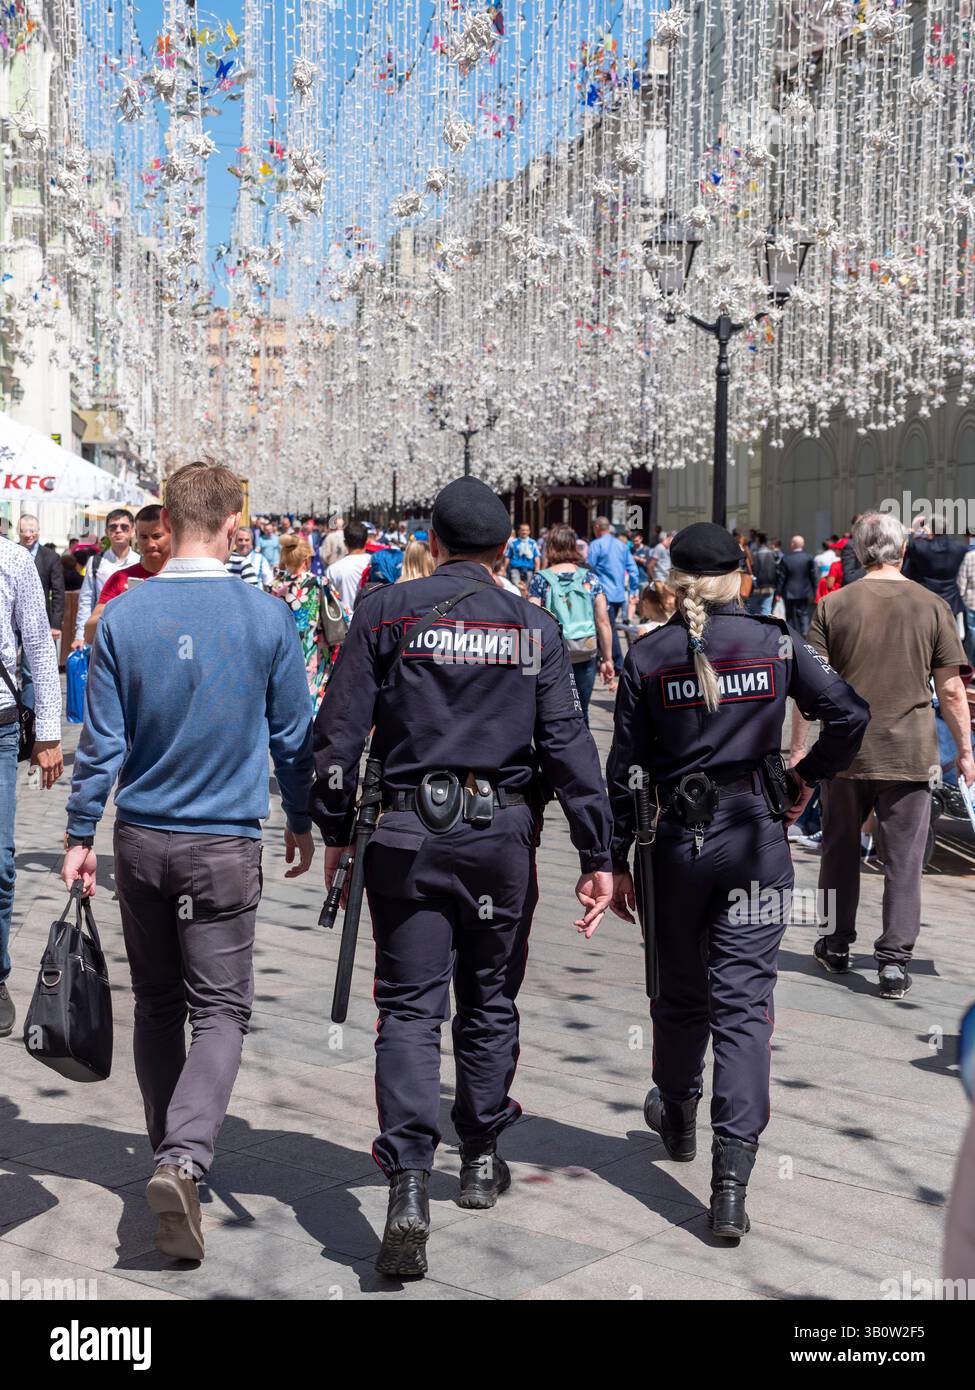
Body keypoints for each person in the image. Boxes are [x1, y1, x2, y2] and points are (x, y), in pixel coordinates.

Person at [310, 476, 614, 1280]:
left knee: (409, 1010)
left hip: (407, 833)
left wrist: (334, 829)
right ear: (504, 546)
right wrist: (597, 853)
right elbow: (569, 746)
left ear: (434, 542)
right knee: (488, 997)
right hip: (497, 837)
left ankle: (408, 1180)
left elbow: (337, 734)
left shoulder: (385, 611)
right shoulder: (534, 623)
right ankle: (477, 1154)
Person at [60, 461, 315, 1263]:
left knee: (159, 1003)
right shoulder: (269, 618)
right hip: (225, 843)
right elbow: (292, 736)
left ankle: (167, 1154)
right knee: (223, 1008)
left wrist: (76, 834)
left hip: (140, 839)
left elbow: (100, 746)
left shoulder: (123, 616)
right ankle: (183, 1159)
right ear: (235, 524)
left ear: (163, 525)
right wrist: (306, 817)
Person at [606, 522, 868, 1240]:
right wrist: (802, 779)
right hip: (753, 832)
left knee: (678, 993)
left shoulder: (648, 654)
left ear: (671, 579)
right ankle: (729, 1185)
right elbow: (848, 713)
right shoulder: (776, 642)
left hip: (672, 844)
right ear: (740, 576)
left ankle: (679, 1110)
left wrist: (615, 855)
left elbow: (623, 771)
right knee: (744, 1005)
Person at [791, 511, 973, 1000]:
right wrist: (968, 751)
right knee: (903, 861)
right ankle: (894, 962)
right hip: (912, 753)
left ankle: (835, 942)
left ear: (856, 551)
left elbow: (810, 686)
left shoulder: (835, 606)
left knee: (839, 852)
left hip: (845, 752)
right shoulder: (932, 605)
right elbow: (951, 689)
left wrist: (798, 749)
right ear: (903, 551)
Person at [0, 537, 64, 1037]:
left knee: (0, 860)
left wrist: (47, 730)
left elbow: (40, 644)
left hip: (0, 725)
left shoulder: (12, 558)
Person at [528, 524, 614, 724]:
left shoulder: (541, 580)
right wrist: (608, 659)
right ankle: (583, 750)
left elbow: (532, 621)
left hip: (552, 655)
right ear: (573, 546)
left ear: (550, 547)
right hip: (586, 650)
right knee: (581, 711)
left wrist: (528, 662)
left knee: (549, 713)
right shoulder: (590, 578)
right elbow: (603, 621)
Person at [83, 506, 172, 646]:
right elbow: (89, 634)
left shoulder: (186, 573)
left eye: (156, 536)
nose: (150, 544)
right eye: (143, 537)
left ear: (172, 534)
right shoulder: (120, 578)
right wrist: (119, 605)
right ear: (136, 536)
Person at [273, 533, 331, 713]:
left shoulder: (275, 586)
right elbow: (340, 615)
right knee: (312, 697)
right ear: (306, 559)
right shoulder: (318, 582)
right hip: (313, 649)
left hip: (284, 649)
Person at [17, 513, 65, 711]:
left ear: (38, 532)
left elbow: (58, 592)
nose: (28, 535)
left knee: (30, 671)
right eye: (24, 531)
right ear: (18, 532)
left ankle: (28, 715)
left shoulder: (50, 557)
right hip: (10, 621)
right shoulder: (10, 552)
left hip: (37, 621)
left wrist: (55, 624)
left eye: (32, 530)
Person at [72, 509, 139, 649]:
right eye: (113, 527)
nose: (118, 531)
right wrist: (80, 635)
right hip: (101, 632)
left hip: (133, 631)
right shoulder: (96, 562)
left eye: (124, 527)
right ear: (107, 532)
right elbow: (86, 600)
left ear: (132, 531)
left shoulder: (140, 562)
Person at [588, 516, 641, 679]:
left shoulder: (596, 545)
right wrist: (633, 590)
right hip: (618, 594)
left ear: (597, 527)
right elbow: (633, 569)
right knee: (607, 626)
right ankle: (606, 658)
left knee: (606, 626)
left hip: (602, 593)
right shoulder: (622, 545)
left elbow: (589, 570)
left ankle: (617, 663)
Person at [903, 514, 970, 643]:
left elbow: (904, 545)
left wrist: (912, 531)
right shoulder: (960, 548)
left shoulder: (920, 547)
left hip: (924, 602)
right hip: (952, 603)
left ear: (930, 530)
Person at [325, 520, 371, 617]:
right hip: (372, 622)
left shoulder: (333, 570)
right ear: (366, 541)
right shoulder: (374, 564)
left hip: (344, 624)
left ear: (345, 543)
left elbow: (328, 602)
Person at [776, 535, 817, 634]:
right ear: (803, 544)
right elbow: (813, 576)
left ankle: (792, 634)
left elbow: (782, 578)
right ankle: (805, 633)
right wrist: (814, 591)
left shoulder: (786, 559)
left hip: (788, 591)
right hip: (804, 591)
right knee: (803, 613)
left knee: (789, 615)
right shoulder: (809, 558)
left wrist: (778, 592)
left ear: (793, 544)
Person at [228, 525, 274, 589]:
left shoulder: (261, 560)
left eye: (247, 540)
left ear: (251, 541)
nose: (243, 543)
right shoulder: (227, 559)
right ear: (235, 541)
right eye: (240, 540)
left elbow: (268, 583)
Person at [746, 532, 779, 616]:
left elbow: (752, 570)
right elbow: (777, 570)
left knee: (753, 611)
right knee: (766, 611)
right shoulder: (773, 553)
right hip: (770, 586)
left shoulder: (755, 554)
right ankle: (765, 628)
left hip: (757, 587)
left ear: (758, 540)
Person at [504, 523, 541, 587]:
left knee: (527, 588)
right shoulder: (513, 542)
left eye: (526, 530)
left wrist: (537, 569)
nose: (524, 532)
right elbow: (508, 556)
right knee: (517, 587)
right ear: (519, 531)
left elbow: (536, 556)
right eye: (522, 530)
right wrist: (504, 569)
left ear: (529, 532)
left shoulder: (532, 543)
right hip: (515, 568)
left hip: (529, 569)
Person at [960, 529, 975, 665]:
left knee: (971, 633)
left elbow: (962, 580)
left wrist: (961, 596)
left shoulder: (968, 554)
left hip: (971, 601)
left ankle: (971, 662)